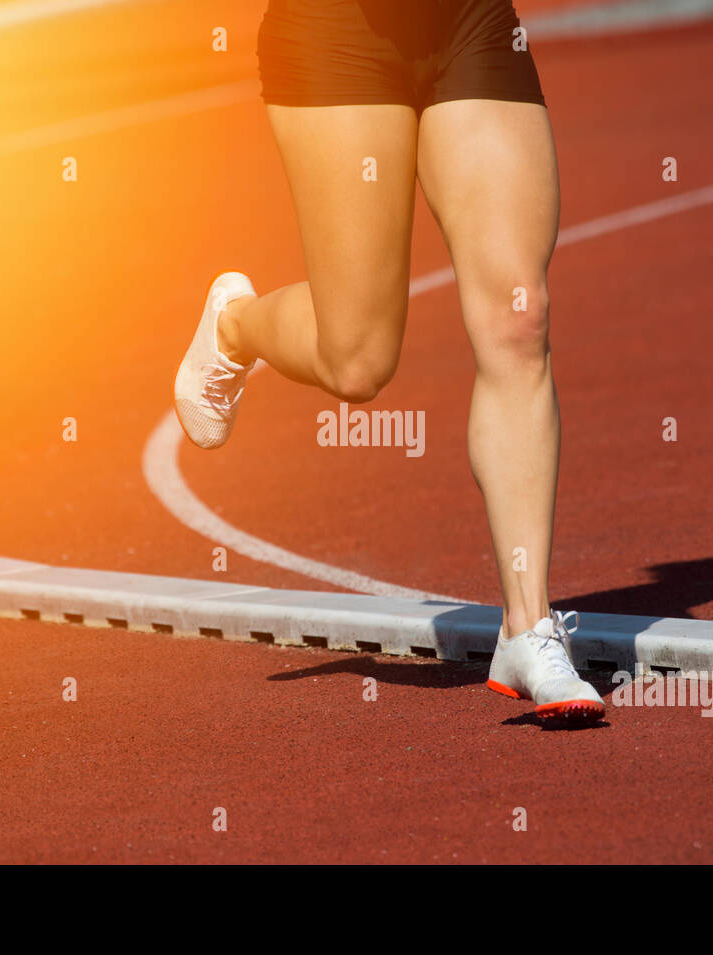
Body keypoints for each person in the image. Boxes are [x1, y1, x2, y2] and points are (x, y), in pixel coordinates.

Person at [174, 0, 604, 720]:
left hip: (467, 21)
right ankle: (235, 325)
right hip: (340, 32)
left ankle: (528, 630)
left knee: (518, 314)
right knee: (358, 362)